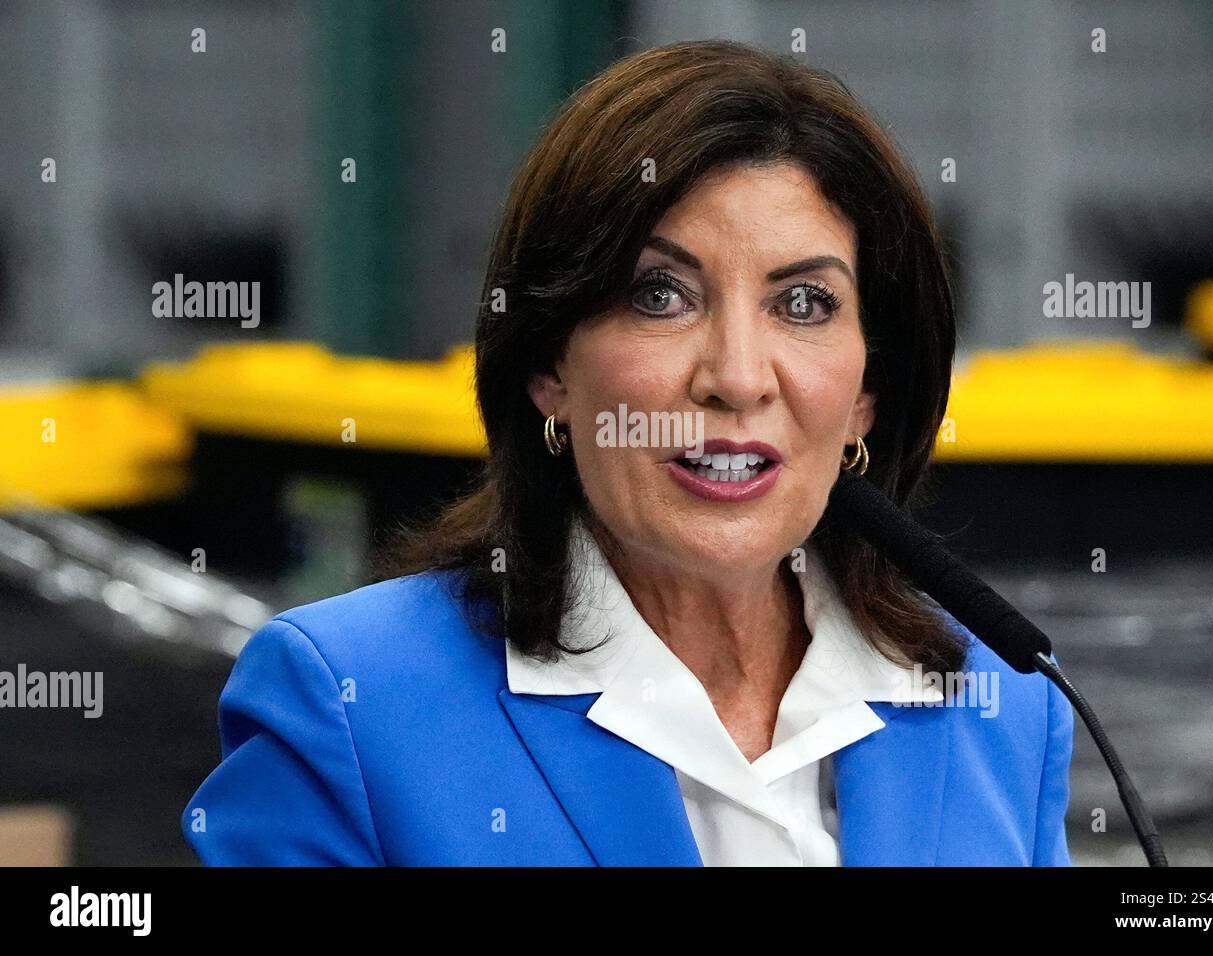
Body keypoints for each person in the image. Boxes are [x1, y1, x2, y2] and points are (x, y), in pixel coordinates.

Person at [182, 39, 1073, 866]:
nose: (737, 377)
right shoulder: (347, 701)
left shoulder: (1004, 704)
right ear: (548, 368)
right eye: (660, 295)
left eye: (804, 304)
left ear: (866, 396)